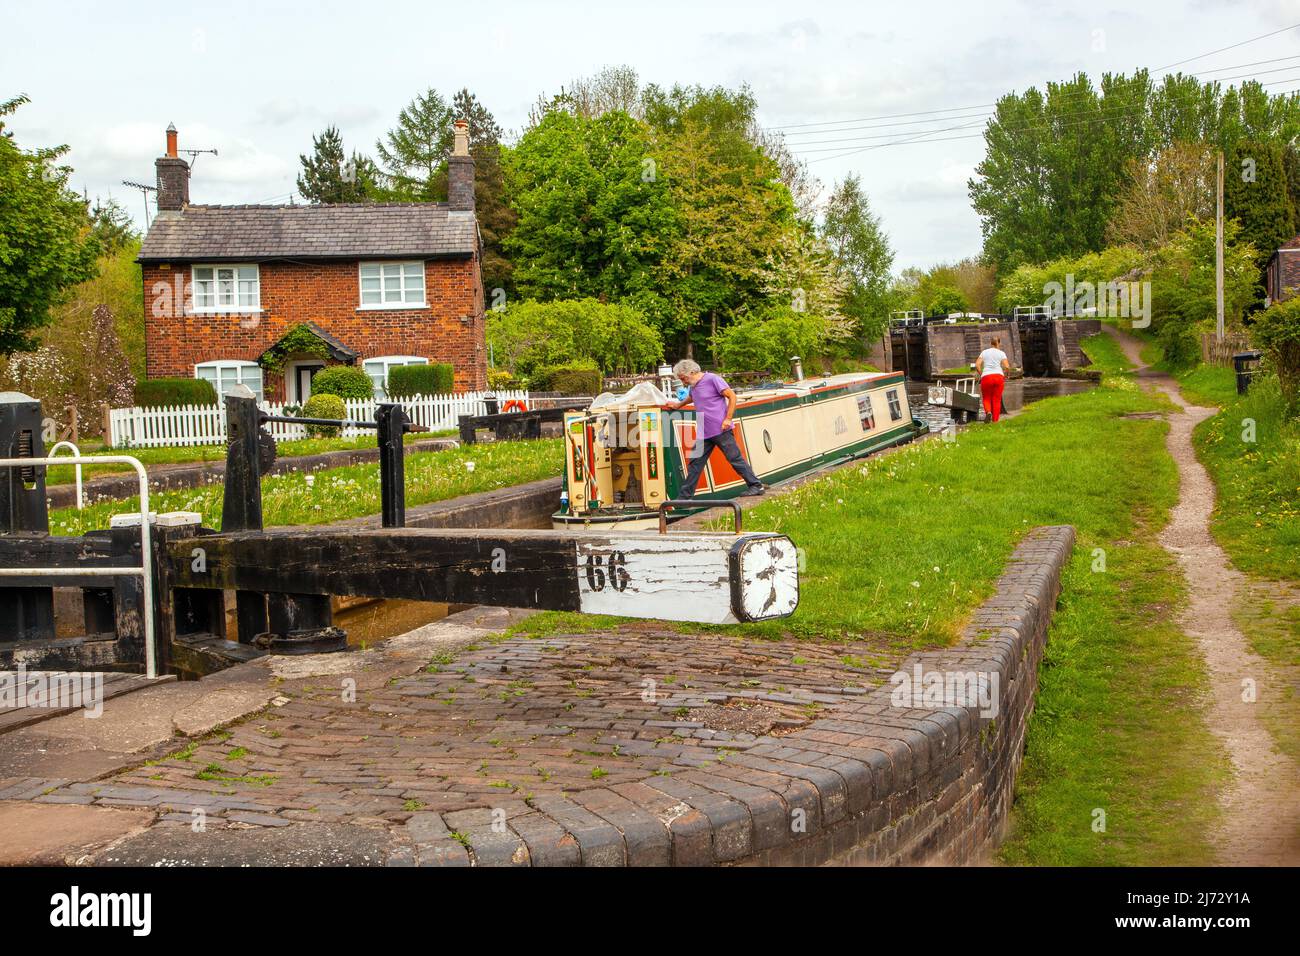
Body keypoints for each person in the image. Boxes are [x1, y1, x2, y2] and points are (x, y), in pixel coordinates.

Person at [667, 359, 764, 498]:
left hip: (721, 429)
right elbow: (692, 397)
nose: (683, 382)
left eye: (683, 378)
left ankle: (756, 486)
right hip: (704, 432)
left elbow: (732, 396)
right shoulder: (693, 386)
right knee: (694, 463)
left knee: (734, 459)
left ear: (692, 372)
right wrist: (678, 405)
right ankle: (684, 498)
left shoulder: (713, 379)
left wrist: (728, 419)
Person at [975, 336, 1010, 423]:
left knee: (986, 398)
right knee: (996, 399)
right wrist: (1006, 375)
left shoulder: (984, 352)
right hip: (998, 376)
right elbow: (1007, 366)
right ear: (999, 343)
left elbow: (977, 365)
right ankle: (995, 421)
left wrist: (981, 374)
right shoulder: (1001, 353)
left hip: (986, 376)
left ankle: (988, 412)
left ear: (990, 343)